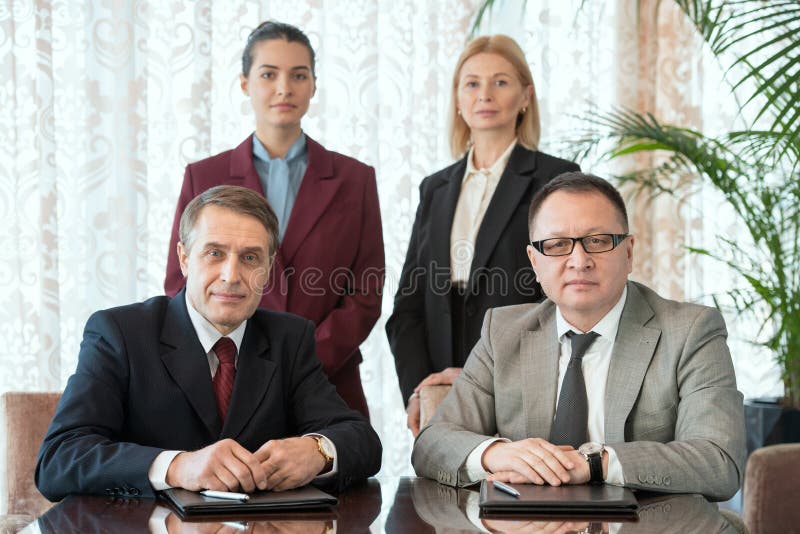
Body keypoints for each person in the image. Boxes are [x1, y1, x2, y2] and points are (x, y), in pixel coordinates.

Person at [411, 172, 746, 501]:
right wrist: (497, 454)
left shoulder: (691, 331)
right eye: (557, 245)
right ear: (534, 261)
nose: (579, 261)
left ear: (628, 252)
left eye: (597, 241)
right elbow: (432, 443)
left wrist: (595, 463)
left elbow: (719, 462)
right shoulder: (502, 332)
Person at [36, 185, 382, 501]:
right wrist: (177, 466)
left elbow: (363, 441)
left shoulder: (289, 339)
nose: (231, 276)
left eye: (250, 258)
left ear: (268, 267)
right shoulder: (120, 333)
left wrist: (317, 451)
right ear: (184, 258)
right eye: (215, 253)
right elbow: (59, 460)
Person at [164, 21, 384, 418]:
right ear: (246, 83)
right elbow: (181, 280)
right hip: (226, 381)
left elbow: (366, 292)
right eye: (269, 74)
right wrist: (241, 358)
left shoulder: (355, 179)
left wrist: (299, 361)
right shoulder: (204, 176)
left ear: (314, 85)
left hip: (327, 383)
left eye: (299, 75)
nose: (285, 88)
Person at [386, 35, 579, 435]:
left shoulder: (556, 178)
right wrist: (421, 389)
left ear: (525, 97)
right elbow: (408, 306)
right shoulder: (434, 188)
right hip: (440, 389)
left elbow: (563, 297)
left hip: (523, 383)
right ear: (457, 99)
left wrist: (491, 377)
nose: (484, 94)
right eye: (471, 83)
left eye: (501, 82)